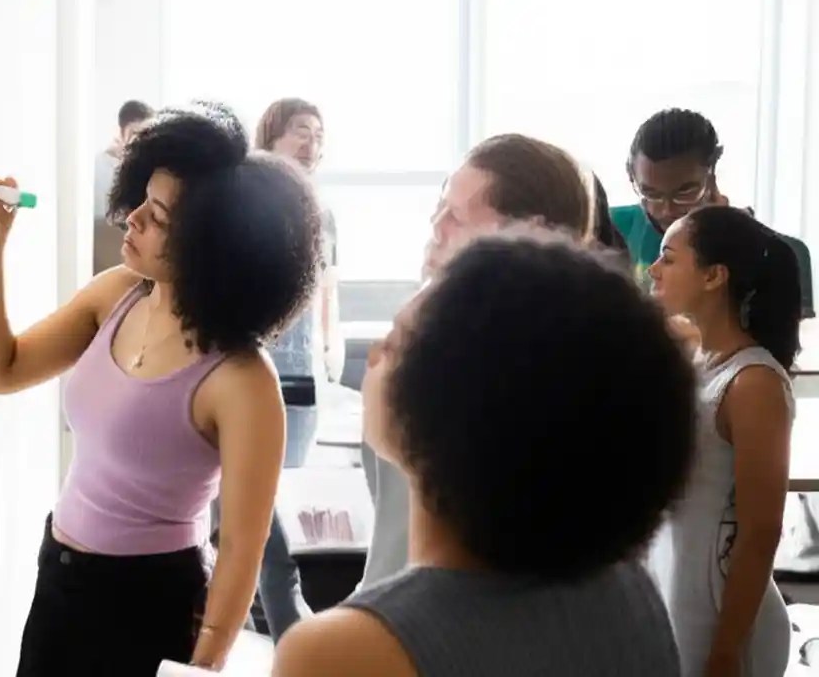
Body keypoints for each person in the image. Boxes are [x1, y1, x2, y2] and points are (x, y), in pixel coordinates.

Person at [0, 101, 322, 674]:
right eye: (141, 201)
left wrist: (202, 664)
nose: (132, 219)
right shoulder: (116, 294)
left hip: (150, 599)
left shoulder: (242, 380)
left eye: (158, 217)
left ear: (211, 246)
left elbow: (240, 549)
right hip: (60, 574)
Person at [274, 228, 694, 676]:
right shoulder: (630, 589)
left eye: (395, 342)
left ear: (455, 409)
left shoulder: (343, 651)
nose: (375, 354)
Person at [359, 134, 594, 590]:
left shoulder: (547, 371)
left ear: (530, 231)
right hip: (393, 599)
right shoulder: (426, 327)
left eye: (457, 216)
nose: (436, 225)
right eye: (439, 207)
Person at [648, 205, 801, 676]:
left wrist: (727, 649)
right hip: (678, 592)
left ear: (714, 276)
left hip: (722, 615)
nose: (653, 269)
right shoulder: (696, 360)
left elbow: (760, 533)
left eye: (668, 258)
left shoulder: (753, 383)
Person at [213, 97, 341, 643]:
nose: (311, 143)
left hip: (302, 386)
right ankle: (233, 639)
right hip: (241, 377)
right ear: (273, 134)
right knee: (234, 526)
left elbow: (327, 292)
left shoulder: (324, 212)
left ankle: (280, 646)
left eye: (318, 134)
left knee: (280, 532)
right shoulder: (242, 198)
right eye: (300, 132)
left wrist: (331, 355)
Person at [613, 108, 814, 317]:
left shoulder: (773, 254)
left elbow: (787, 344)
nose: (666, 210)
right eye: (649, 193)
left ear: (712, 173)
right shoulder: (608, 229)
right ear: (631, 175)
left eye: (685, 191)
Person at [93, 99, 155, 274]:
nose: (142, 143)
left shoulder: (147, 173)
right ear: (119, 135)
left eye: (149, 135)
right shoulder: (97, 170)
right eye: (136, 134)